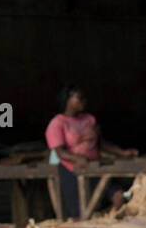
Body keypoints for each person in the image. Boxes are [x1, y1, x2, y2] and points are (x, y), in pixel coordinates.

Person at [44, 84, 138, 220]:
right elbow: (60, 152)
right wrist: (78, 159)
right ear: (68, 100)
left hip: (94, 167)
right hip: (71, 171)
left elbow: (100, 143)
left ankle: (112, 225)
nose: (84, 101)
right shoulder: (57, 123)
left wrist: (122, 152)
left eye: (84, 98)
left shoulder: (89, 119)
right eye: (79, 98)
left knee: (118, 196)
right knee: (78, 213)